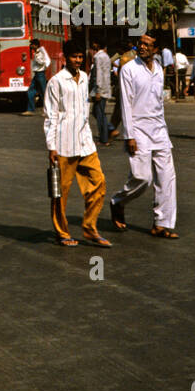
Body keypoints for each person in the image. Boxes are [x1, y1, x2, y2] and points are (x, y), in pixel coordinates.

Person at [110, 30, 178, 239]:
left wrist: (164, 131)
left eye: (148, 44)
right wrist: (129, 135)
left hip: (159, 130)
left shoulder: (158, 69)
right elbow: (126, 104)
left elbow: (157, 103)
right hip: (137, 130)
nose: (143, 47)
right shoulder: (128, 69)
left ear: (156, 49)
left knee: (167, 178)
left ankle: (161, 224)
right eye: (141, 43)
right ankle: (118, 201)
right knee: (143, 177)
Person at [43, 42, 111, 248]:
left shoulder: (84, 78)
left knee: (98, 183)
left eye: (81, 57)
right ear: (66, 57)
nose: (78, 61)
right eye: (75, 57)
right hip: (63, 145)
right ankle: (62, 232)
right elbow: (50, 116)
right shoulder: (56, 82)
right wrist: (51, 146)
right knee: (60, 193)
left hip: (85, 143)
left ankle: (90, 229)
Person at [90, 40, 112, 145]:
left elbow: (98, 73)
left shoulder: (98, 57)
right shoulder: (106, 56)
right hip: (105, 87)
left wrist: (98, 90)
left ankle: (104, 138)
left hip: (100, 89)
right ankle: (109, 130)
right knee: (97, 111)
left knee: (99, 113)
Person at [20, 38, 50, 115]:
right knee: (30, 91)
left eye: (32, 45)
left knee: (44, 93)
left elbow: (42, 62)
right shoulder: (36, 52)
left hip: (40, 74)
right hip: (37, 74)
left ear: (35, 45)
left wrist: (37, 56)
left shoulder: (40, 52)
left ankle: (48, 110)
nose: (31, 46)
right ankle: (30, 110)